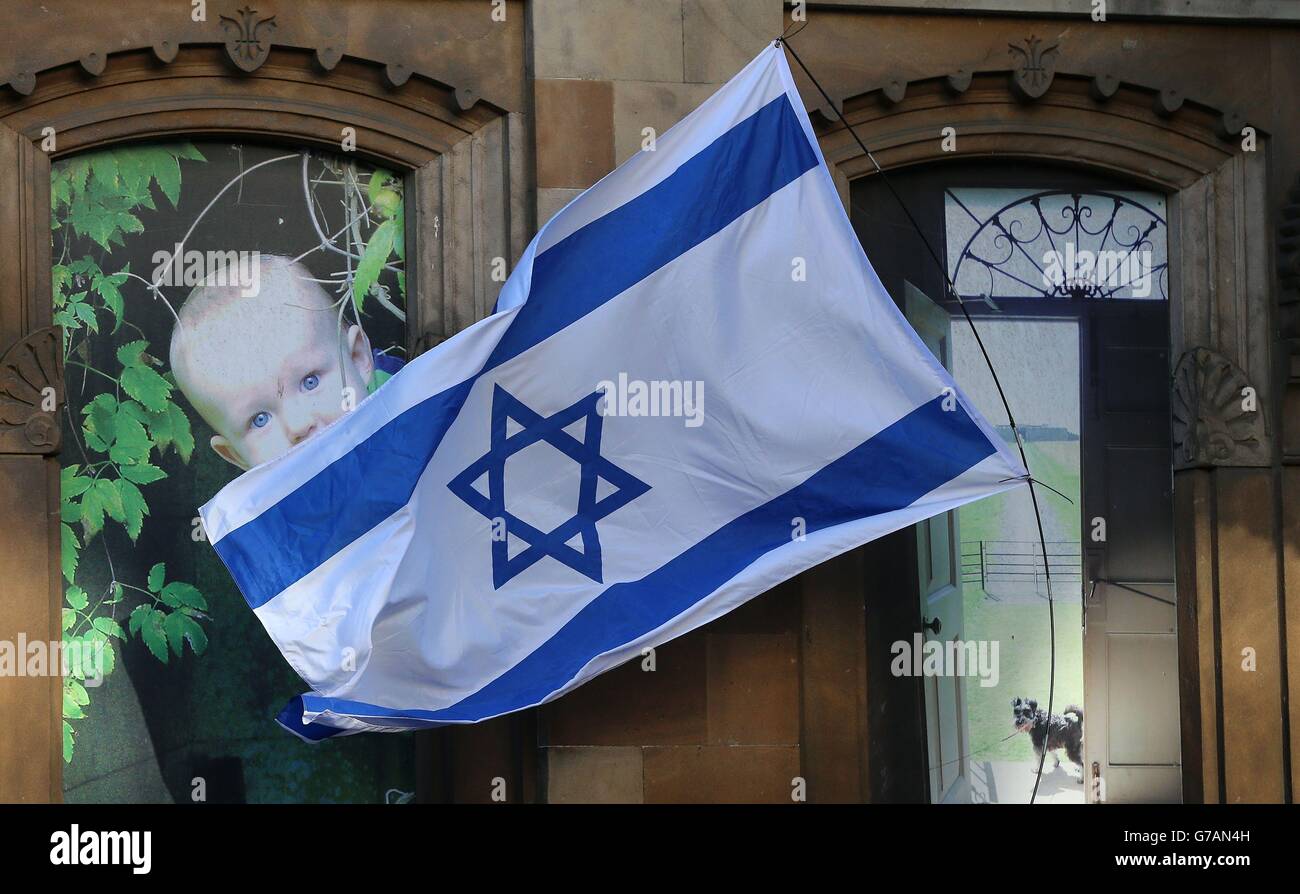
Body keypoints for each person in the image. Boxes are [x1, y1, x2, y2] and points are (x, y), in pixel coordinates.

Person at [169, 254, 402, 471]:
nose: (298, 425)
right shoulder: (267, 509)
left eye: (310, 382)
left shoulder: (415, 403)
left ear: (358, 358)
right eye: (259, 420)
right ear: (235, 456)